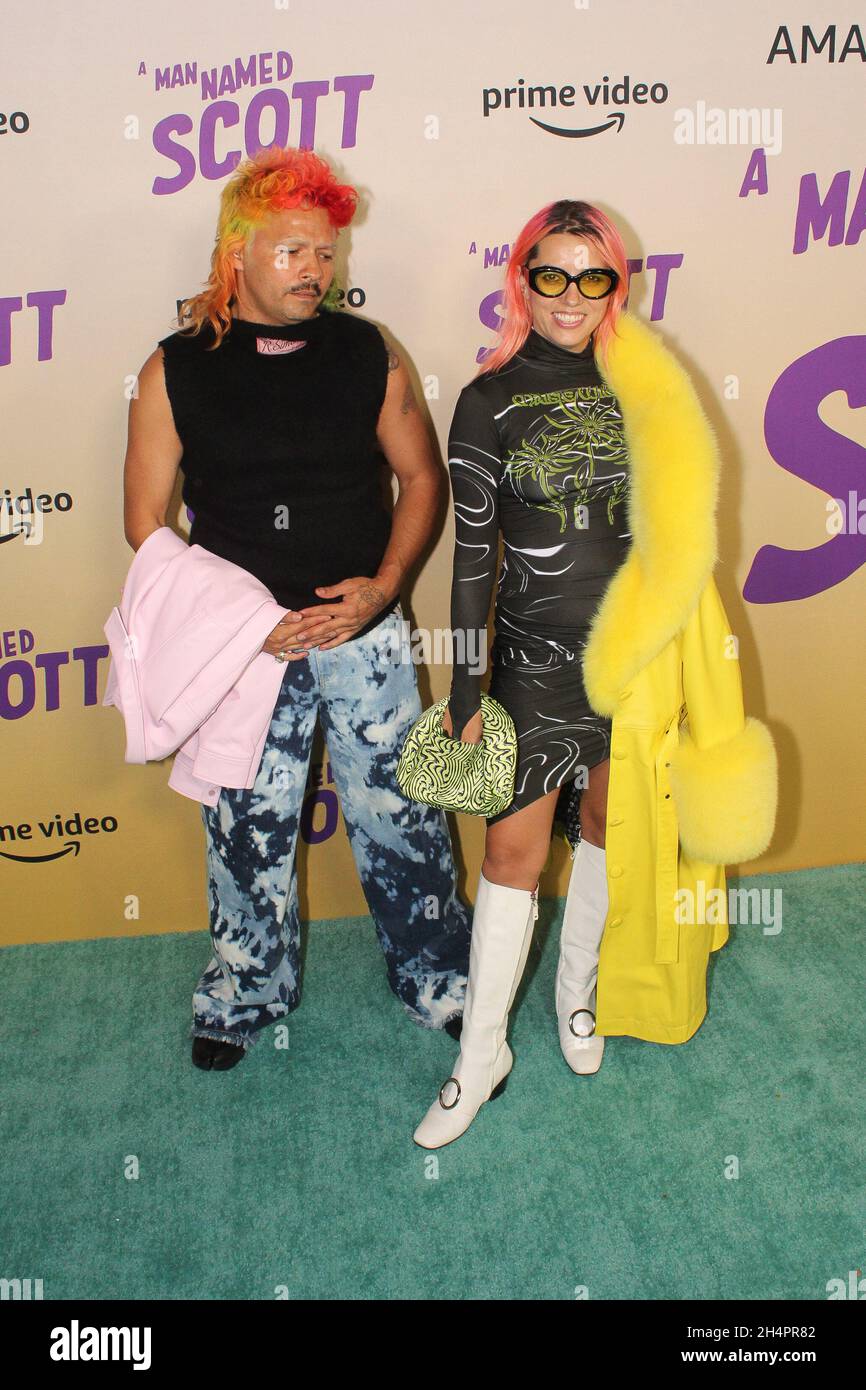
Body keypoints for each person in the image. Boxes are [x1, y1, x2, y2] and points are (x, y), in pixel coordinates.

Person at [413, 199, 777, 1148]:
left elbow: (681, 530)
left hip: (637, 665)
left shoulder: (646, 385)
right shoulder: (487, 400)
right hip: (532, 667)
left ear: (619, 283)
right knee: (512, 858)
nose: (571, 297)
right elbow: (472, 559)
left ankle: (580, 995)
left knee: (617, 826)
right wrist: (463, 691)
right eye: (551, 274)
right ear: (521, 279)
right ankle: (479, 1055)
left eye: (593, 277)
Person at [122, 145, 470, 1070]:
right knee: (247, 834)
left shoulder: (368, 352)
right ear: (236, 251)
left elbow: (421, 478)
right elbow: (145, 526)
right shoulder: (174, 372)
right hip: (243, 653)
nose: (316, 270)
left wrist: (385, 588)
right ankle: (241, 995)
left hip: (368, 638)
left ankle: (441, 980)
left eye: (325, 253)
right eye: (292, 252)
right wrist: (246, 623)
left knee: (407, 819)